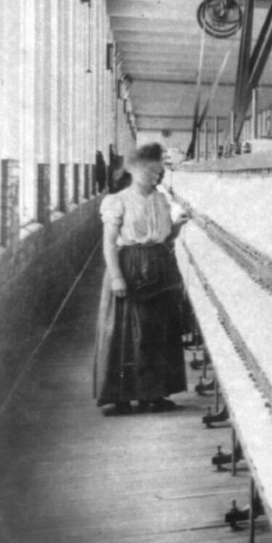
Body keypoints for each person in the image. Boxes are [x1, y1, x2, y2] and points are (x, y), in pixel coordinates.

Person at [93, 143, 188, 414]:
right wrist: (117, 278)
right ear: (133, 170)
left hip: (159, 267)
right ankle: (121, 398)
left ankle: (153, 395)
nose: (156, 177)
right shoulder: (117, 201)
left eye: (159, 172)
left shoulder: (160, 199)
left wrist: (178, 226)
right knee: (125, 334)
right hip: (130, 267)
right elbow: (109, 244)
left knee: (156, 332)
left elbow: (165, 237)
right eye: (150, 171)